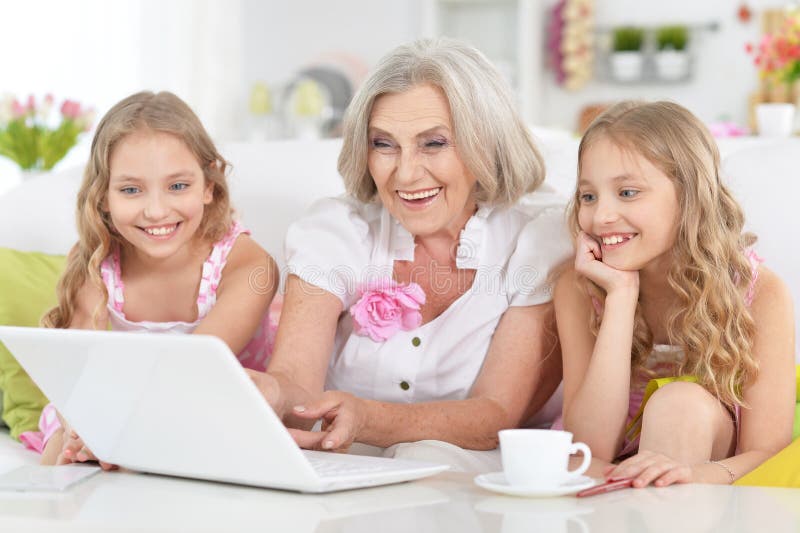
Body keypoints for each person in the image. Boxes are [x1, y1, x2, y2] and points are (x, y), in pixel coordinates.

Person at [246, 38, 571, 472]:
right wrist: (268, 392)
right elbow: (297, 386)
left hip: (476, 475)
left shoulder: (537, 240)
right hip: (348, 472)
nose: (405, 173)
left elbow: (495, 413)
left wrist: (368, 419)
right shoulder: (337, 231)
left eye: (433, 143)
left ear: (486, 144)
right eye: (384, 144)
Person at [554, 100, 795, 487]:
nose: (601, 217)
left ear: (689, 196)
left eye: (628, 192)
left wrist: (688, 476)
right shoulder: (579, 287)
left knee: (679, 404)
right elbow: (588, 447)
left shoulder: (761, 294)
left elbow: (767, 454)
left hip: (704, 479)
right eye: (588, 196)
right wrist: (620, 298)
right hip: (609, 473)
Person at [36, 91, 279, 466]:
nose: (155, 211)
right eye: (131, 190)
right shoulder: (96, 263)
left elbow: (192, 377)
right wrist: (84, 432)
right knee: (61, 450)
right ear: (102, 196)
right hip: (115, 403)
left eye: (177, 186)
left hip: (211, 404)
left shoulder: (248, 266)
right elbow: (79, 381)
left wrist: (119, 433)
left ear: (209, 184)